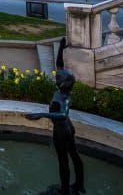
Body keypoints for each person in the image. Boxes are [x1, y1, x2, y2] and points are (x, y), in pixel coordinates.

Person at [25, 37, 85, 194]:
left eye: (59, 77)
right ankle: (79, 184)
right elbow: (59, 64)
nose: (56, 76)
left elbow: (62, 115)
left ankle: (65, 190)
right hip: (68, 129)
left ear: (63, 83)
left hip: (62, 131)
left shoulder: (64, 97)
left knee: (63, 160)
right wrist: (61, 48)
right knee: (74, 154)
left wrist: (41, 114)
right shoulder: (63, 90)